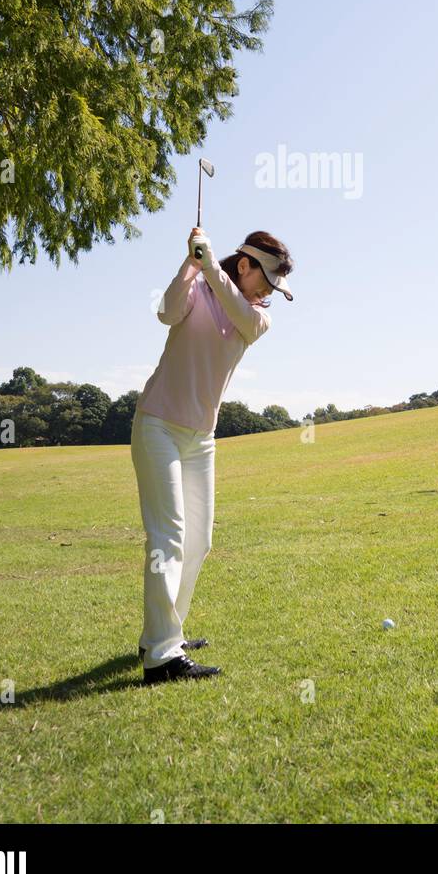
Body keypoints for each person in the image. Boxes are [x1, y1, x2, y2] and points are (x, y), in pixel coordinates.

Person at [130, 226, 294, 686]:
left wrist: (209, 263)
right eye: (268, 279)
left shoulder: (256, 317)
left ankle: (164, 634)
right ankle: (161, 657)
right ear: (245, 265)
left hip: (201, 438)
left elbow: (240, 312)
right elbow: (166, 312)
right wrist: (191, 262)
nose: (270, 292)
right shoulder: (198, 284)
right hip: (158, 424)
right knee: (169, 536)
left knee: (199, 541)